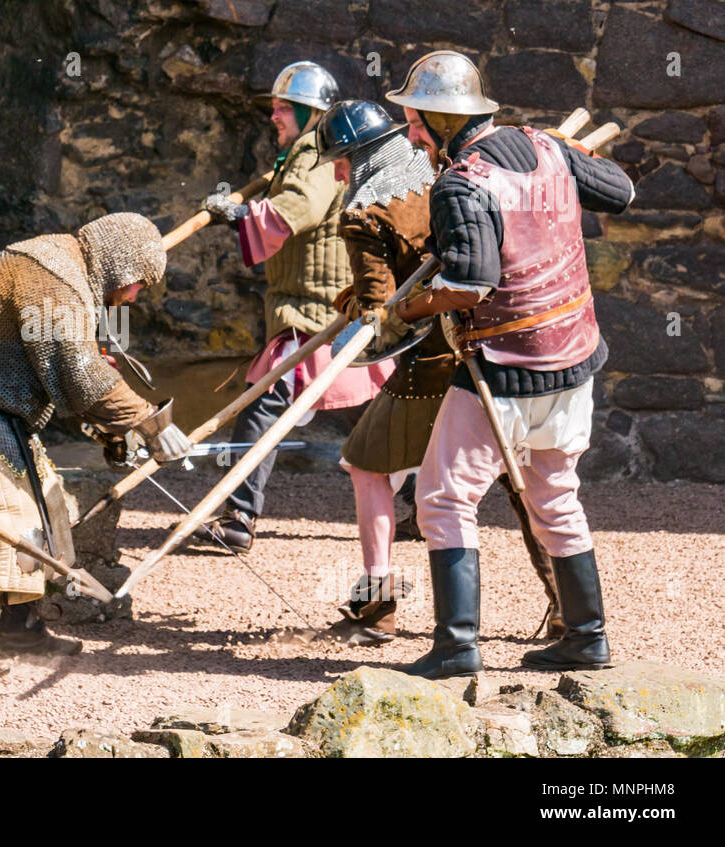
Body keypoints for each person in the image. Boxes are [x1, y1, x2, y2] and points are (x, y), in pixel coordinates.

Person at [386, 51, 635, 677]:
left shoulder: (460, 184)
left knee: (443, 500)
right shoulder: (546, 149)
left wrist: (412, 307)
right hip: (575, 361)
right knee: (555, 495)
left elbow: (472, 284)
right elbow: (621, 190)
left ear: (445, 121)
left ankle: (455, 647)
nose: (411, 135)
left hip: (505, 367)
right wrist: (563, 158)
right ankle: (587, 636)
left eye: (416, 122)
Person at [0, 212, 191, 676]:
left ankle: (18, 628)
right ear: (118, 264)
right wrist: (149, 422)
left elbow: (72, 373)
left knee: (50, 508)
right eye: (136, 284)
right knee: (9, 518)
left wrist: (117, 430)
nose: (132, 296)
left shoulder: (65, 271)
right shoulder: (53, 278)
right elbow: (81, 375)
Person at [316, 99, 561, 646]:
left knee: (364, 463)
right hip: (496, 343)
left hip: (433, 364)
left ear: (360, 158)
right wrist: (359, 296)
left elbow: (385, 315)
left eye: (339, 161)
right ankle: (567, 608)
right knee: (522, 480)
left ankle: (376, 605)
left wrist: (361, 305)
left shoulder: (364, 214)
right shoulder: (447, 177)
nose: (337, 173)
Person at [200, 61, 391, 553]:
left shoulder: (315, 151)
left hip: (317, 312)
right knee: (373, 416)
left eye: (284, 108)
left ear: (309, 112)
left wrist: (241, 214)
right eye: (275, 108)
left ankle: (239, 516)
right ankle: (417, 494)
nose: (274, 116)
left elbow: (295, 211)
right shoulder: (300, 152)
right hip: (318, 308)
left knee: (265, 406)